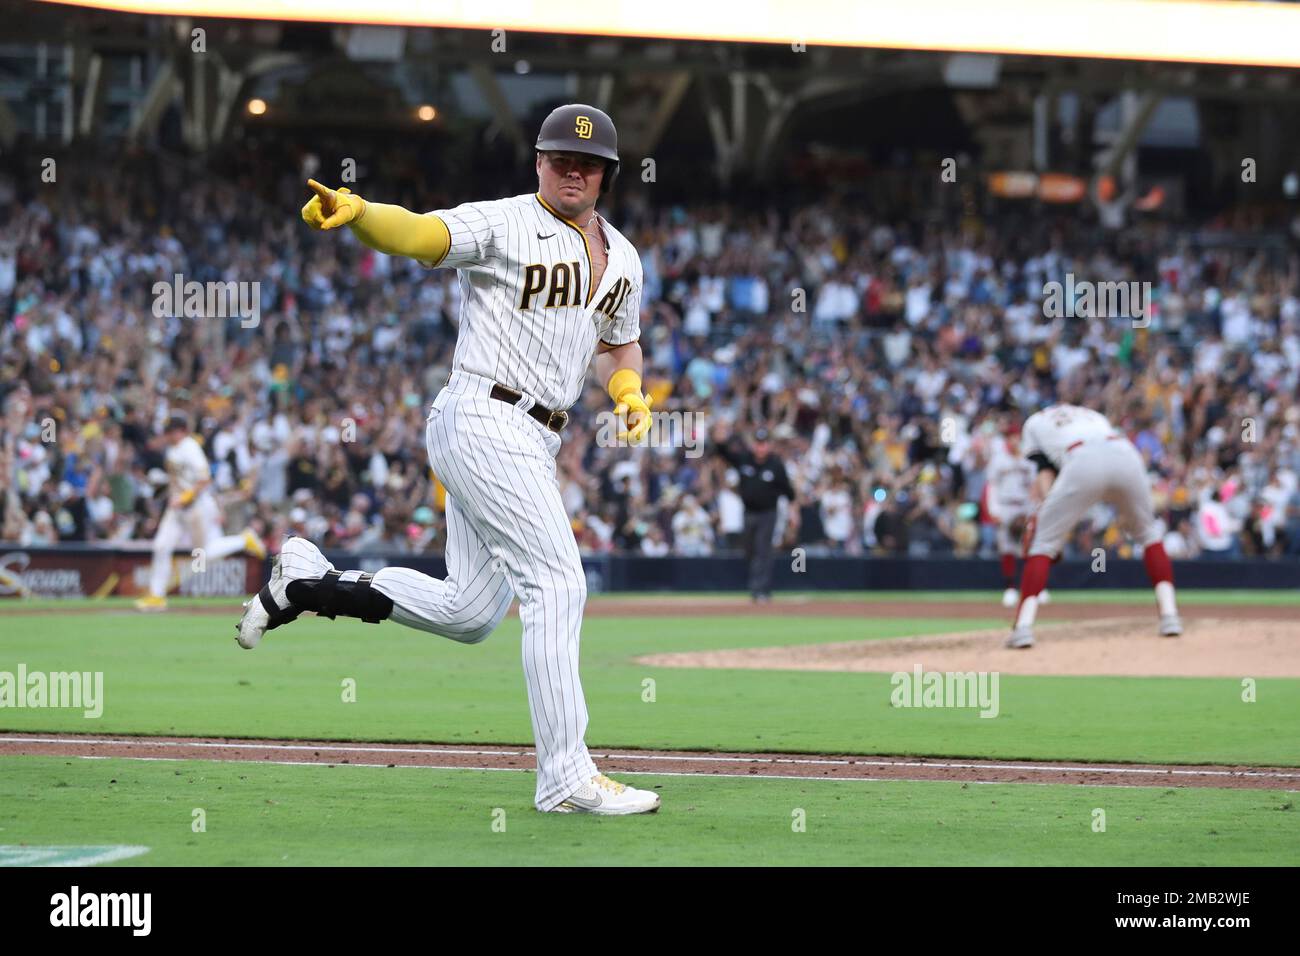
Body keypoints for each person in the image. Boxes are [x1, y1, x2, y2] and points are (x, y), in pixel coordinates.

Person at [239, 104, 660, 816]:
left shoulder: (623, 255)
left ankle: (312, 581)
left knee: (469, 612)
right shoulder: (503, 222)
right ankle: (564, 775)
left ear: (607, 175)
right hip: (484, 414)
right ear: (538, 162)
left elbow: (619, 339)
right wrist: (363, 211)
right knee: (559, 586)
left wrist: (628, 390)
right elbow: (422, 234)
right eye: (560, 158)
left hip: (534, 436)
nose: (572, 170)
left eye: (586, 163)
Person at [1007, 404, 1182, 648]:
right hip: (1125, 454)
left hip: (1081, 459)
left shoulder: (1035, 422)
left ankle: (1023, 628)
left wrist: (1049, 514)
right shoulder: (1092, 415)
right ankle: (1170, 616)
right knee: (1149, 534)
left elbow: (1045, 471)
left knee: (1043, 544)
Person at [135, 416, 265, 611]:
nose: (168, 434)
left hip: (196, 507)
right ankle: (156, 596)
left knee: (202, 555)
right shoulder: (173, 449)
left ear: (180, 430)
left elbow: (205, 479)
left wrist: (185, 496)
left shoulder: (190, 447)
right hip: (177, 508)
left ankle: (243, 540)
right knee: (161, 546)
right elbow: (178, 478)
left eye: (171, 431)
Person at [713, 423, 794, 602]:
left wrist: (794, 514)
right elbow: (725, 455)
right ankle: (758, 585)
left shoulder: (775, 465)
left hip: (768, 513)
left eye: (764, 443)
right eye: (758, 443)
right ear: (753, 444)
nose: (761, 447)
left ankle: (761, 589)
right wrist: (720, 441)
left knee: (763, 549)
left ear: (769, 445)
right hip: (749, 512)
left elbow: (789, 492)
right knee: (749, 550)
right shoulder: (745, 459)